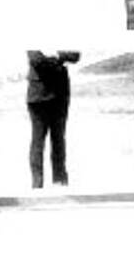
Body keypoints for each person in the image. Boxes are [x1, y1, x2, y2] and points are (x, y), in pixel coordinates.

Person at [27, 51, 81, 188]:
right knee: (38, 141)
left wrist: (55, 56)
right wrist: (59, 59)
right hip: (38, 96)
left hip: (60, 94)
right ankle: (37, 184)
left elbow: (75, 55)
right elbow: (36, 60)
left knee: (59, 140)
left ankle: (60, 181)